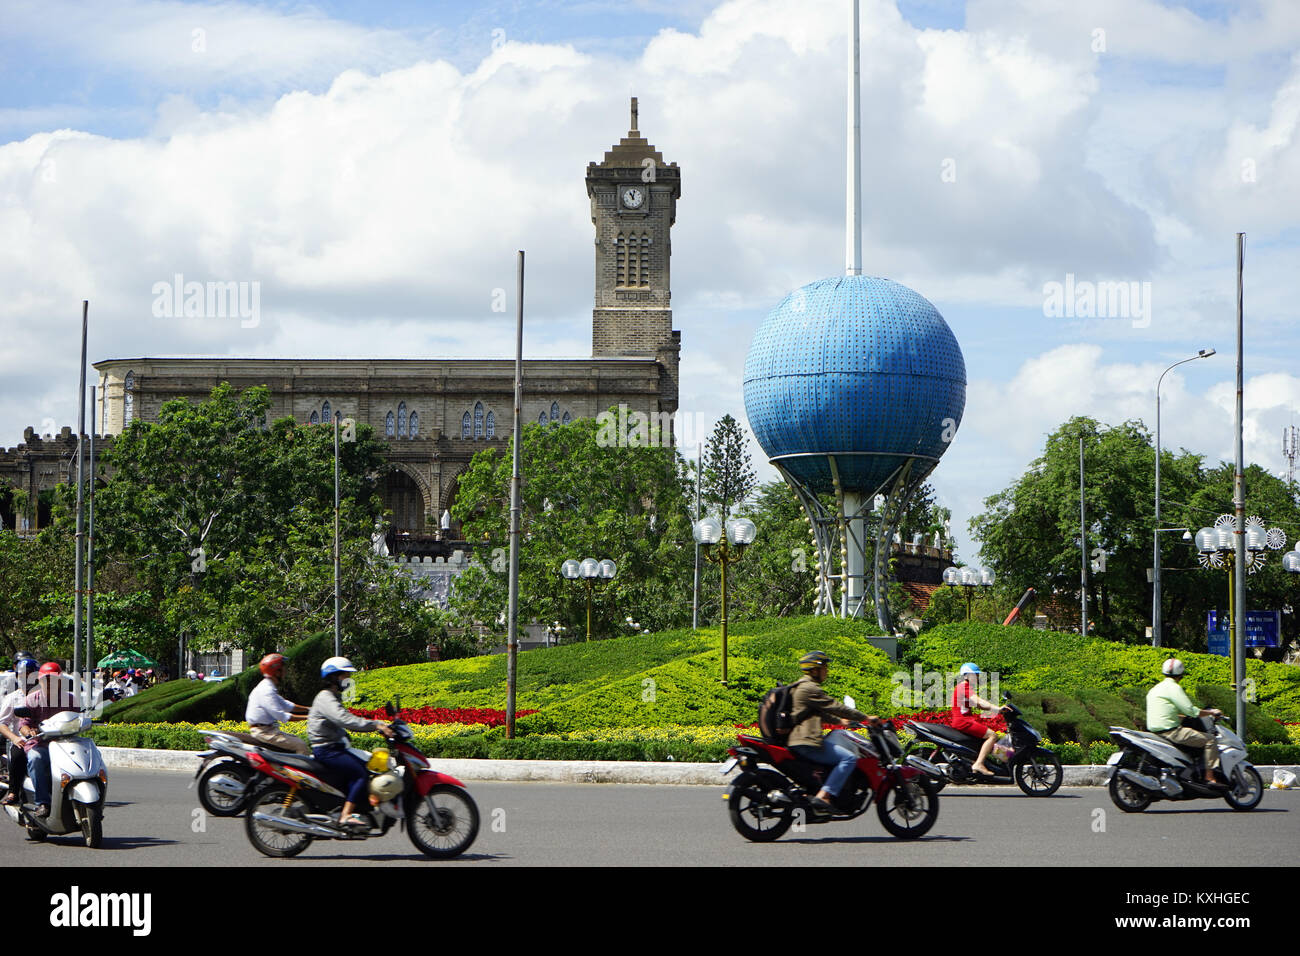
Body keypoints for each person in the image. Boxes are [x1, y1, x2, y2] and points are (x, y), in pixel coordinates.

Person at [308, 656, 394, 828]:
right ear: (333, 677)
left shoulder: (333, 696)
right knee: (361, 773)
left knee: (368, 765)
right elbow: (345, 720)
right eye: (344, 675)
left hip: (335, 747)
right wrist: (375, 725)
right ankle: (345, 816)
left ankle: (355, 806)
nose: (348, 679)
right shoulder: (326, 697)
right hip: (327, 750)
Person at [788, 651, 875, 813]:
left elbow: (818, 712)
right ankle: (824, 795)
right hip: (806, 742)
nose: (827, 671)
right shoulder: (810, 688)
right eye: (825, 667)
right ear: (815, 670)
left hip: (800, 741)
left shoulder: (799, 687)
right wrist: (866, 718)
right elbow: (835, 706)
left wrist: (840, 722)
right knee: (849, 758)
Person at [1146, 658, 1224, 785]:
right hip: (1171, 732)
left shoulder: (1156, 688)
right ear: (1180, 675)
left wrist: (1182, 716)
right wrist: (1212, 712)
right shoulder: (1174, 688)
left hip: (1155, 732)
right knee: (1210, 740)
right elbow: (1191, 711)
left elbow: (1167, 711)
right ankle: (1209, 777)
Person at [19, 662, 70, 817]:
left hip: (65, 745)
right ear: (39, 680)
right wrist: (29, 732)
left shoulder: (70, 699)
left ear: (60, 680)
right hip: (40, 744)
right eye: (46, 679)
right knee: (35, 758)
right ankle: (42, 802)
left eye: (53, 679)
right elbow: (23, 724)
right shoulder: (31, 699)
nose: (50, 683)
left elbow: (78, 718)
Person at [245, 653, 310, 755]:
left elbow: (287, 705)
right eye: (283, 668)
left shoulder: (268, 687)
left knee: (295, 741)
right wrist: (309, 717)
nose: (285, 671)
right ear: (277, 672)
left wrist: (309, 709)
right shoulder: (266, 690)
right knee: (300, 745)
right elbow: (281, 715)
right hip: (264, 732)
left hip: (268, 730)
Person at [950, 663, 1004, 777]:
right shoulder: (964, 686)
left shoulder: (964, 687)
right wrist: (997, 708)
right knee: (993, 736)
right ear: (967, 675)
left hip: (964, 720)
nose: (978, 677)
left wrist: (996, 710)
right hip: (963, 721)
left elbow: (979, 705)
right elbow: (978, 701)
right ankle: (979, 764)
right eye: (976, 675)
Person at [0, 653, 36, 806]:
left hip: (43, 739)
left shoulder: (43, 697)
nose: (27, 678)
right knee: (17, 756)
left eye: (30, 675)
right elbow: (2, 723)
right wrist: (14, 738)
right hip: (21, 740)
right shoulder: (12, 698)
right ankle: (14, 791)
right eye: (23, 675)